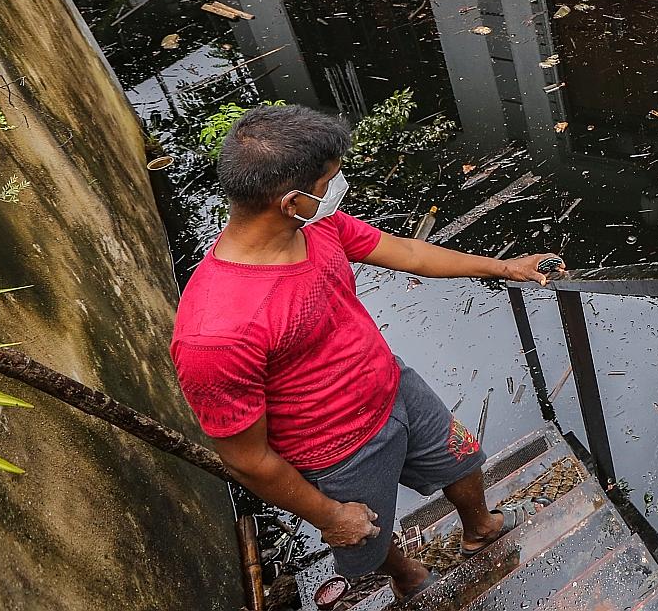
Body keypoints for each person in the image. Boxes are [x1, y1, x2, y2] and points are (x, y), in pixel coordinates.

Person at [171, 105, 565, 603]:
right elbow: (247, 460)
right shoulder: (215, 334)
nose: (338, 189)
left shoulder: (314, 226)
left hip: (393, 386)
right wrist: (328, 515)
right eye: (329, 181)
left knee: (461, 461)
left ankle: (480, 529)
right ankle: (409, 578)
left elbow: (410, 253)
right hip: (335, 448)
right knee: (365, 531)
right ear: (291, 201)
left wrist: (504, 267)